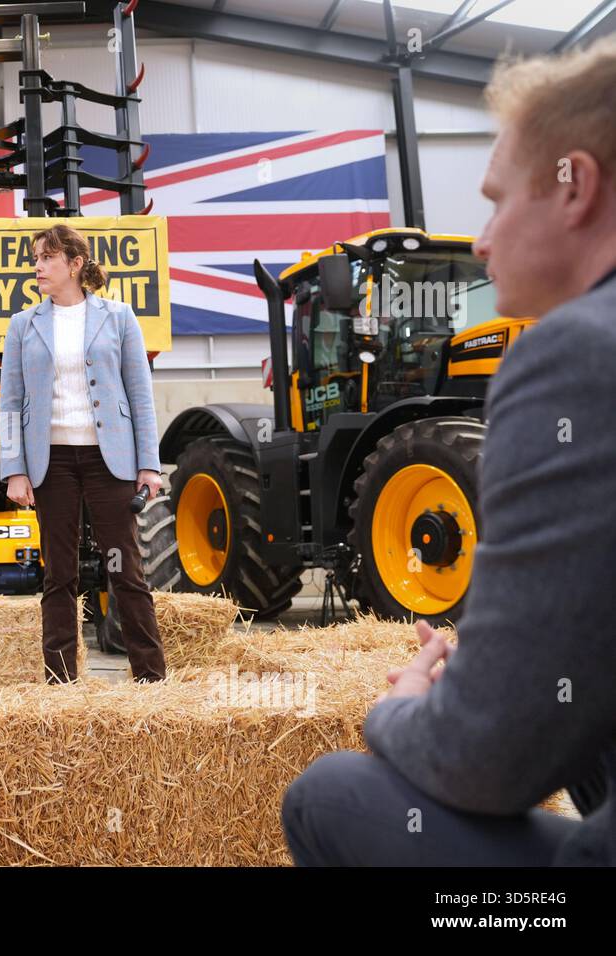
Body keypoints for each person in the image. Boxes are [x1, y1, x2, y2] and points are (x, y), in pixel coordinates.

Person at [281, 36, 616, 866]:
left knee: (330, 794)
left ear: (576, 186)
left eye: (498, 202)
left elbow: (486, 762)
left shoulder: (573, 352)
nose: (484, 241)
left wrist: (403, 705)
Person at [0, 224, 167, 683]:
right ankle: (60, 682)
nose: (37, 266)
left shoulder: (119, 317)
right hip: (50, 463)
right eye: (36, 258)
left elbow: (140, 395)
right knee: (58, 574)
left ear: (75, 264)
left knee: (126, 570)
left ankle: (151, 678)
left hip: (108, 460)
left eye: (47, 258)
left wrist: (148, 465)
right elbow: (10, 403)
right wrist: (15, 470)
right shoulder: (23, 324)